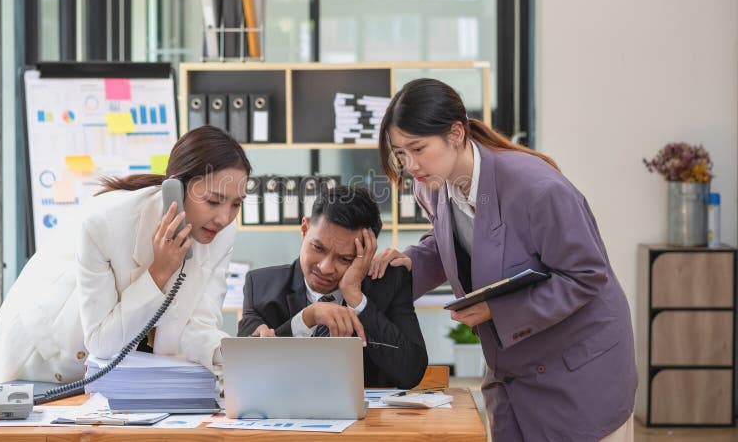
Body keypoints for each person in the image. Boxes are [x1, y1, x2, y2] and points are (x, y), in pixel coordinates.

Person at [369, 79, 637, 441]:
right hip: (513, 372)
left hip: (579, 371)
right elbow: (453, 243)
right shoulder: (431, 185)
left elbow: (586, 275)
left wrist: (498, 310)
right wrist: (409, 263)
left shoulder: (538, 189)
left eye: (418, 148)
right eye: (400, 153)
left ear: (457, 134)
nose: (410, 164)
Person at [0, 125, 250, 385]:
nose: (224, 217)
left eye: (236, 204)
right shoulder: (105, 223)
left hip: (118, 377)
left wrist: (232, 354)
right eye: (213, 201)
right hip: (42, 365)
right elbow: (101, 342)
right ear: (175, 190)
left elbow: (198, 324)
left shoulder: (221, 234)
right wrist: (159, 272)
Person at [238, 185, 428, 389]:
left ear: (367, 254)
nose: (325, 268)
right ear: (304, 229)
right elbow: (248, 370)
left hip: (367, 419)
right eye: (318, 248)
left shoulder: (389, 283)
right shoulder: (260, 286)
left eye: (345, 258)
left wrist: (356, 297)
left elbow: (410, 372)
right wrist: (306, 319)